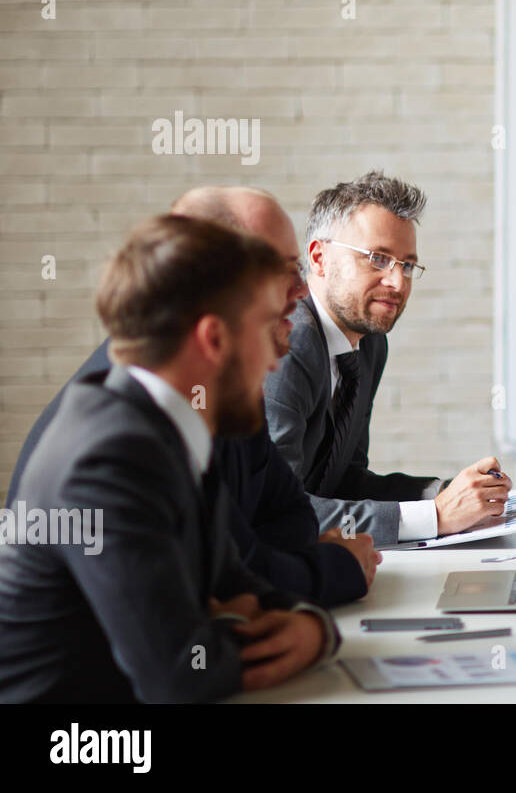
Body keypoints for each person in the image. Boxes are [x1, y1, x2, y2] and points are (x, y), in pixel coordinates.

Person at [0, 216, 339, 702]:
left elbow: (241, 585)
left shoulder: (163, 429)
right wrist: (266, 631)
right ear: (214, 339)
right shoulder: (108, 458)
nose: (274, 360)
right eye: (268, 327)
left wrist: (312, 628)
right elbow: (179, 675)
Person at [8, 187, 380, 608]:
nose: (301, 288)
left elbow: (285, 523)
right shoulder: (130, 425)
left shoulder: (232, 383)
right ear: (210, 274)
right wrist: (326, 572)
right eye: (279, 269)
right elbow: (225, 578)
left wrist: (274, 588)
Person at [264, 171, 509, 547]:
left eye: (407, 265)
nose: (397, 282)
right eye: (377, 258)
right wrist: (437, 516)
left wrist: (444, 493)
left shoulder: (370, 343)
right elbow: (278, 512)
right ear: (319, 257)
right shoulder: (288, 343)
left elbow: (343, 480)